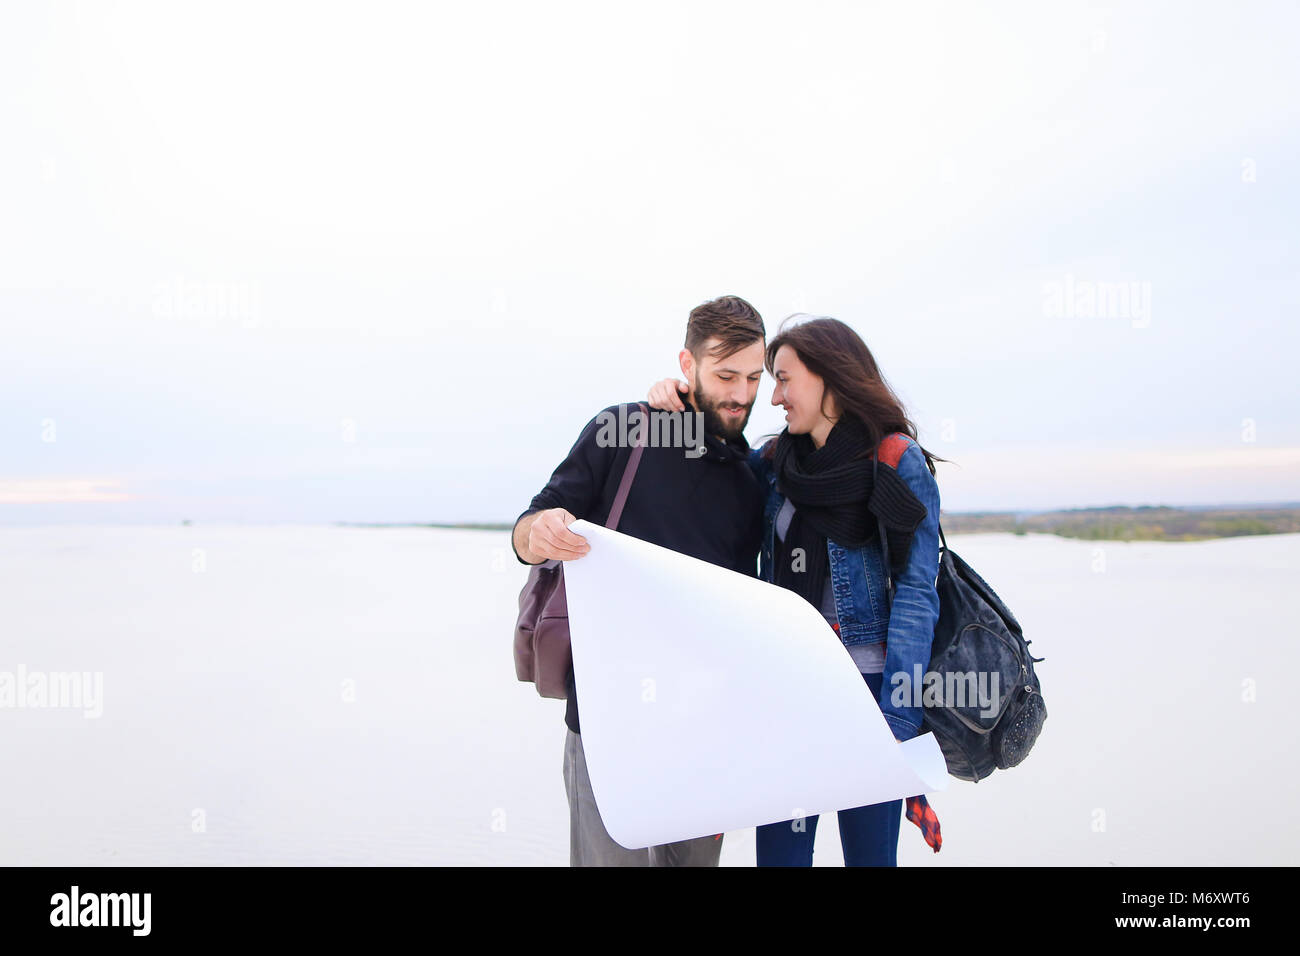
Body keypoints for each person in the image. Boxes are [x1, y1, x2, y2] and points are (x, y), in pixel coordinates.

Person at [646, 314, 946, 866]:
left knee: (870, 860)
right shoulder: (773, 462)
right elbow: (709, 461)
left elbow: (915, 594)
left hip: (869, 702)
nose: (775, 396)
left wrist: (899, 721)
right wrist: (676, 401)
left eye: (783, 379)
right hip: (785, 697)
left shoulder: (894, 460)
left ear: (829, 376)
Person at [511, 295, 767, 866]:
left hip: (705, 736)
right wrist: (539, 532)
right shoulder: (622, 430)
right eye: (725, 375)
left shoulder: (750, 481)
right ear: (687, 363)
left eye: (753, 377)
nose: (741, 395)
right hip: (606, 726)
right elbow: (530, 524)